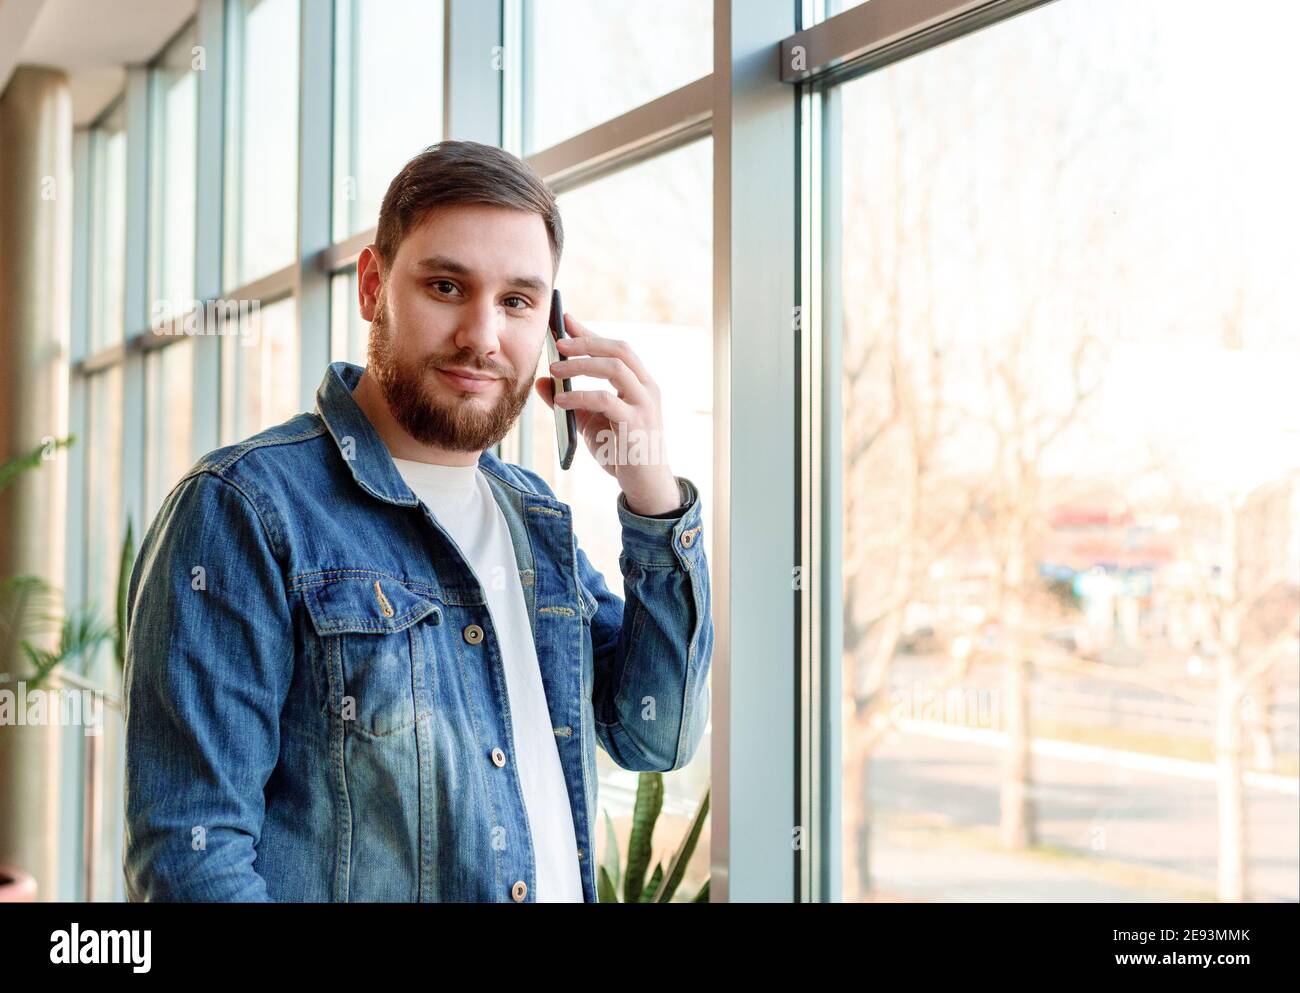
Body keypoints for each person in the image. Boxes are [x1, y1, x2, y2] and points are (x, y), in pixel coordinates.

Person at [122, 140, 712, 902]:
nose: (483, 335)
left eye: (518, 302)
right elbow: (189, 857)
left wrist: (651, 491)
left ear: (552, 325)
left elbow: (653, 733)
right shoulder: (244, 508)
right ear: (373, 286)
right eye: (445, 285)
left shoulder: (532, 519)